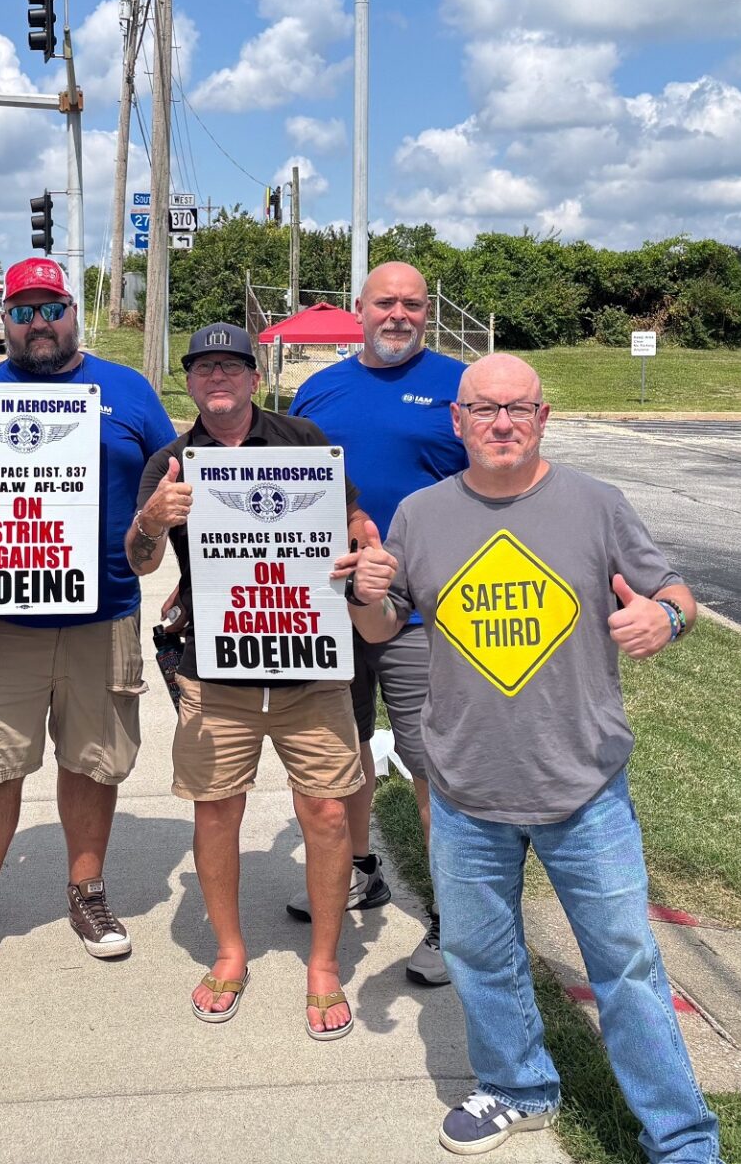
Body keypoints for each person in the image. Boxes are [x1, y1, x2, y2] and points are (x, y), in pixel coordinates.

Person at [338, 353, 721, 1159]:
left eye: (518, 408)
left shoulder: (596, 505)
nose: (501, 423)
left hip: (585, 788)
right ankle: (517, 1087)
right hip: (466, 788)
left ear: (544, 416)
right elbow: (382, 629)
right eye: (482, 409)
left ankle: (681, 1138)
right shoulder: (419, 513)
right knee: (479, 953)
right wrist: (365, 595)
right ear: (457, 420)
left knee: (627, 966)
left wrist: (666, 621)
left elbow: (679, 593)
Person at [0, 257, 177, 987]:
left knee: (93, 762)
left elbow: (167, 476)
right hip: (6, 619)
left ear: (74, 311)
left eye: (50, 308)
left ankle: (87, 894)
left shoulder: (126, 391)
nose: (38, 323)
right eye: (22, 311)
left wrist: (181, 566)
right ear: (5, 320)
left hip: (107, 613)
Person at [127, 322, 369, 1041]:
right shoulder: (171, 463)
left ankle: (324, 963)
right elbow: (140, 562)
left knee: (326, 814)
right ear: (191, 382)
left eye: (232, 365)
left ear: (254, 377)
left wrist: (367, 540)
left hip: (308, 665)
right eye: (203, 368)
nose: (218, 378)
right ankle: (231, 954)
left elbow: (353, 517)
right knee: (216, 812)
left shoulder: (303, 441)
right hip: (216, 669)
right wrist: (150, 518)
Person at [285, 260, 466, 986]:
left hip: (425, 610)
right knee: (342, 749)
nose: (398, 314)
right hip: (329, 605)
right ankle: (361, 870)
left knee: (431, 765)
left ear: (428, 312)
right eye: (385, 302)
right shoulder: (318, 388)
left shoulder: (459, 387)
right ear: (359, 309)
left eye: (413, 304)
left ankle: (456, 921)